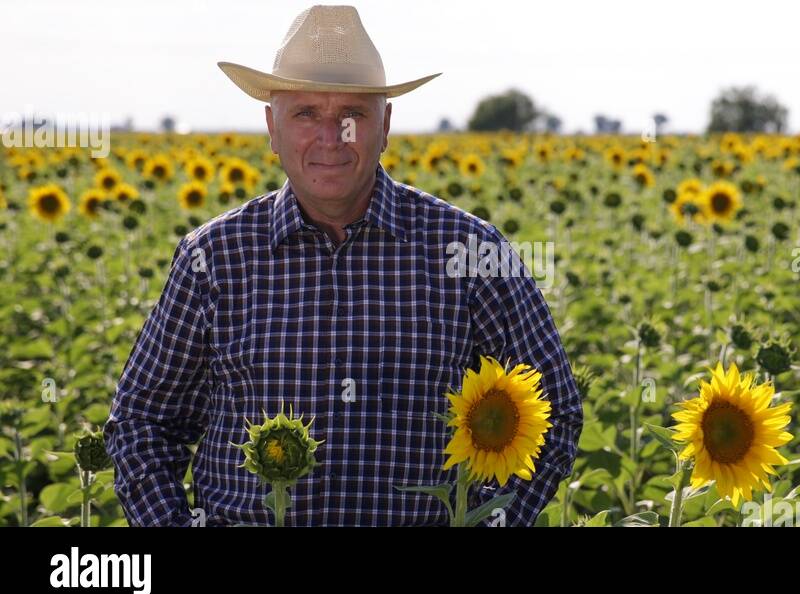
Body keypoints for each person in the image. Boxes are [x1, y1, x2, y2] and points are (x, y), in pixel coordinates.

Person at [105, 5, 582, 526]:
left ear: (386, 125)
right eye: (306, 113)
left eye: (352, 114)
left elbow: (554, 413)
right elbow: (142, 423)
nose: (331, 138)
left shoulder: (468, 253)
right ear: (272, 125)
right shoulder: (216, 258)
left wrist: (488, 521)